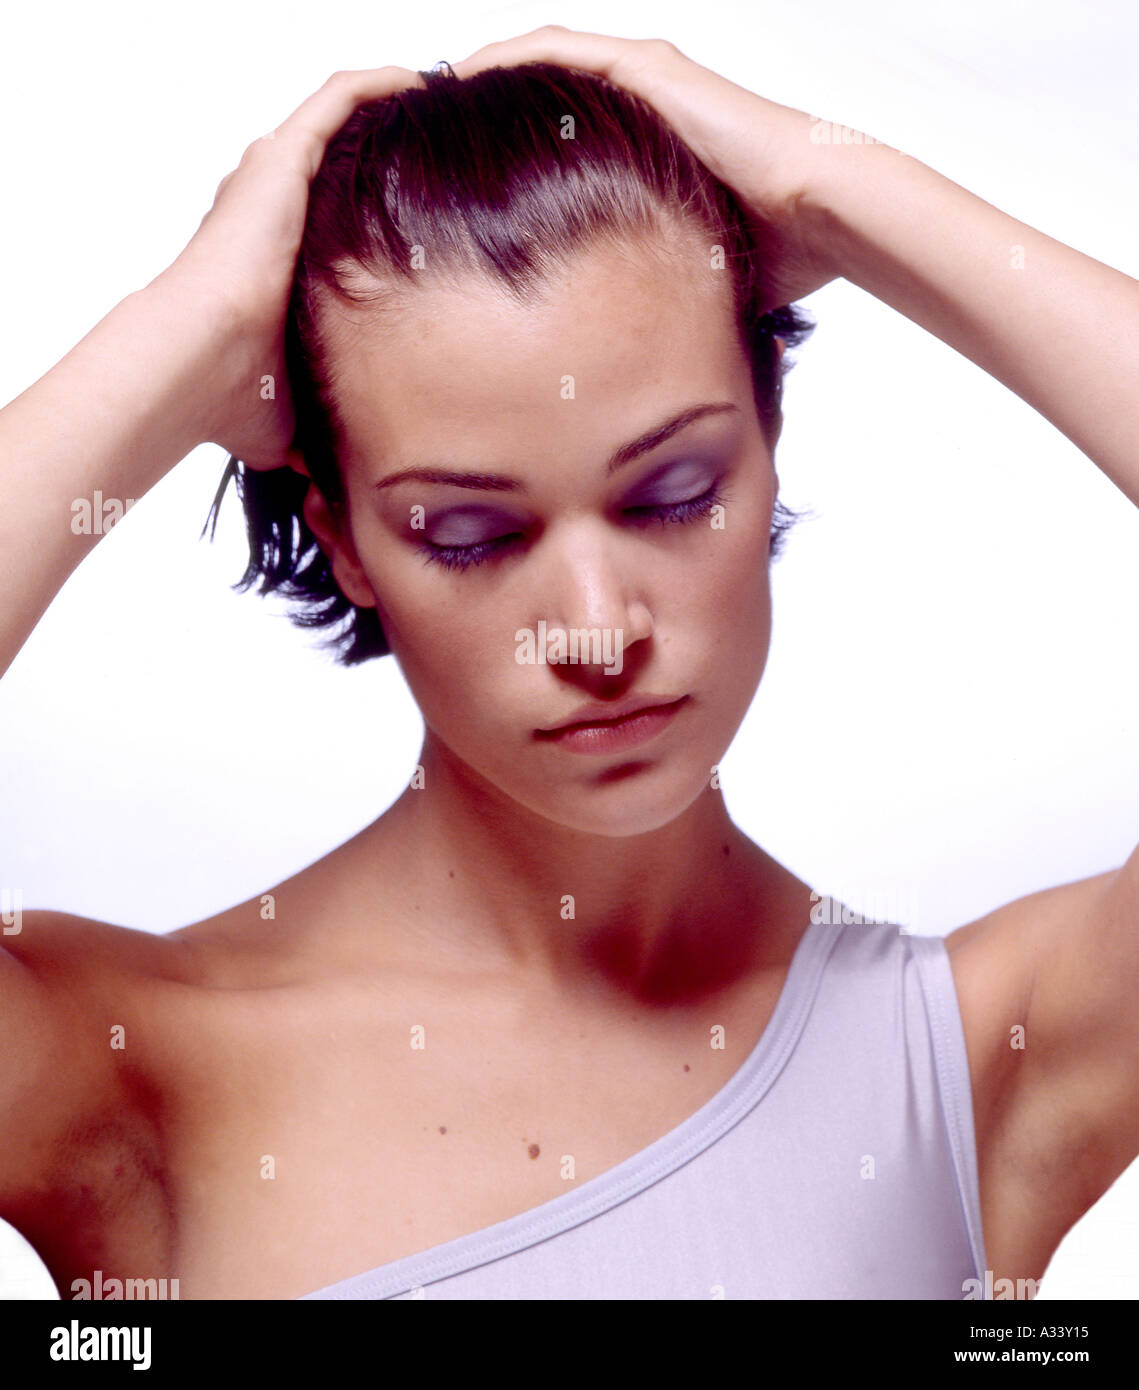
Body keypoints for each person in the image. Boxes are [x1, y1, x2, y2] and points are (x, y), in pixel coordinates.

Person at [1, 25, 1136, 1302]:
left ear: (769, 437)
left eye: (670, 493)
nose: (597, 626)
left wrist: (837, 189)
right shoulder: (133, 1058)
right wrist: (184, 330)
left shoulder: (978, 1059)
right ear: (349, 544)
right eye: (472, 534)